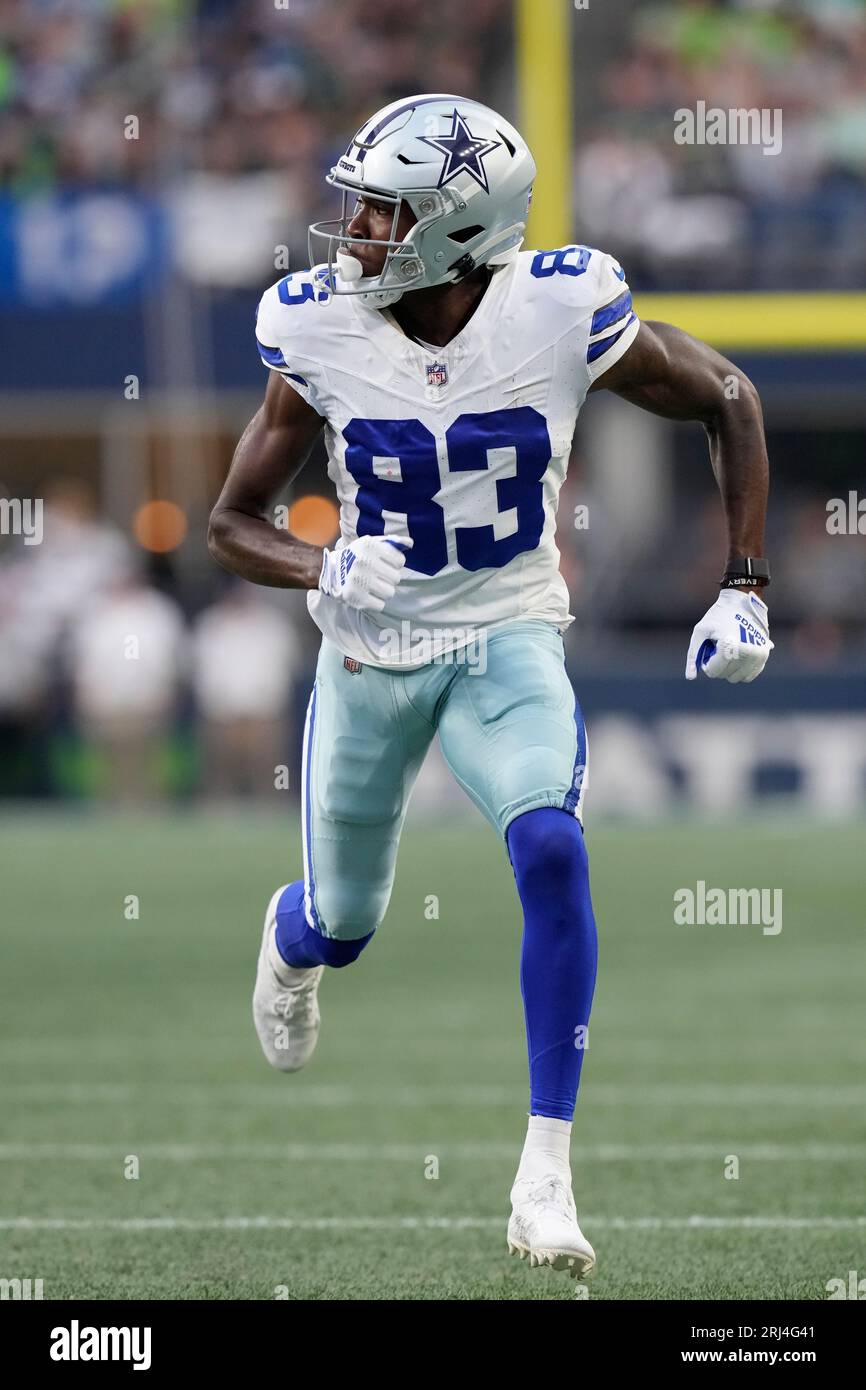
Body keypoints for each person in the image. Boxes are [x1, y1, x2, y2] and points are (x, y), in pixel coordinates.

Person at [208, 94, 773, 1279]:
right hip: (369, 652)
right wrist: (323, 561)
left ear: (454, 229)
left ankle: (544, 1173)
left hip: (507, 634)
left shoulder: (559, 308)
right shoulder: (314, 329)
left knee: (552, 850)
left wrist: (743, 582)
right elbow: (226, 524)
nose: (352, 229)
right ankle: (294, 940)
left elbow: (726, 393)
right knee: (344, 921)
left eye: (379, 210)